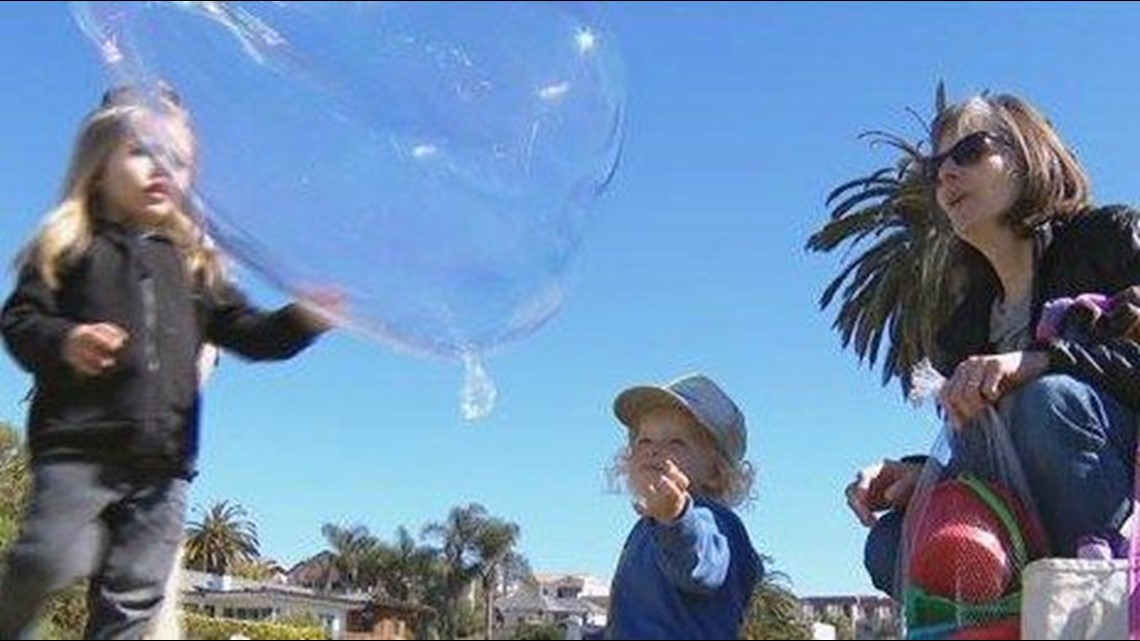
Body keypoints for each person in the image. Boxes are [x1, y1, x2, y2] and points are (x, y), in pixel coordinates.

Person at [0, 84, 338, 639]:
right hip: (79, 452)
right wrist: (66, 341)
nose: (162, 168)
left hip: (163, 470)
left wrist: (302, 320)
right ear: (98, 163)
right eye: (142, 151)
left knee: (133, 601)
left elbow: (249, 333)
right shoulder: (68, 245)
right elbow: (20, 321)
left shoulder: (194, 265)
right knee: (50, 561)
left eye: (178, 160)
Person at [845, 93, 1140, 597]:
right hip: (1027, 512)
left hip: (1120, 497)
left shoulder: (1109, 239)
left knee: (1047, 403)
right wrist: (923, 476)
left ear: (1028, 155)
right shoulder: (965, 328)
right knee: (893, 542)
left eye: (969, 151)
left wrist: (1039, 360)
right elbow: (993, 446)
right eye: (934, 168)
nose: (945, 176)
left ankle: (1105, 606)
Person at [603, 372, 763, 639]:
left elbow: (701, 568)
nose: (654, 450)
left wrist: (676, 519)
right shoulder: (647, 528)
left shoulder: (714, 522)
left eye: (676, 442)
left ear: (716, 471)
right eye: (644, 440)